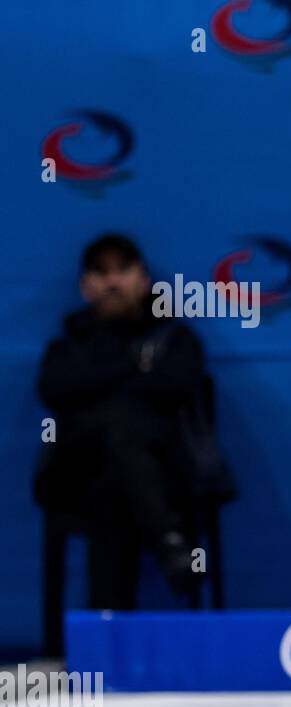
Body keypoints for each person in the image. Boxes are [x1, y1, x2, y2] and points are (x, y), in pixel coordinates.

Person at [35, 234, 218, 607]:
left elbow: (178, 385)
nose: (112, 282)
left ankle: (106, 641)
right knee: (116, 433)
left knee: (116, 471)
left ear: (144, 280)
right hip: (79, 475)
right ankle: (169, 541)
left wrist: (99, 383)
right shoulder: (69, 343)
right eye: (101, 273)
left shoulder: (175, 337)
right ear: (86, 286)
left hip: (164, 475)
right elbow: (54, 388)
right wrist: (136, 368)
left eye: (122, 270)